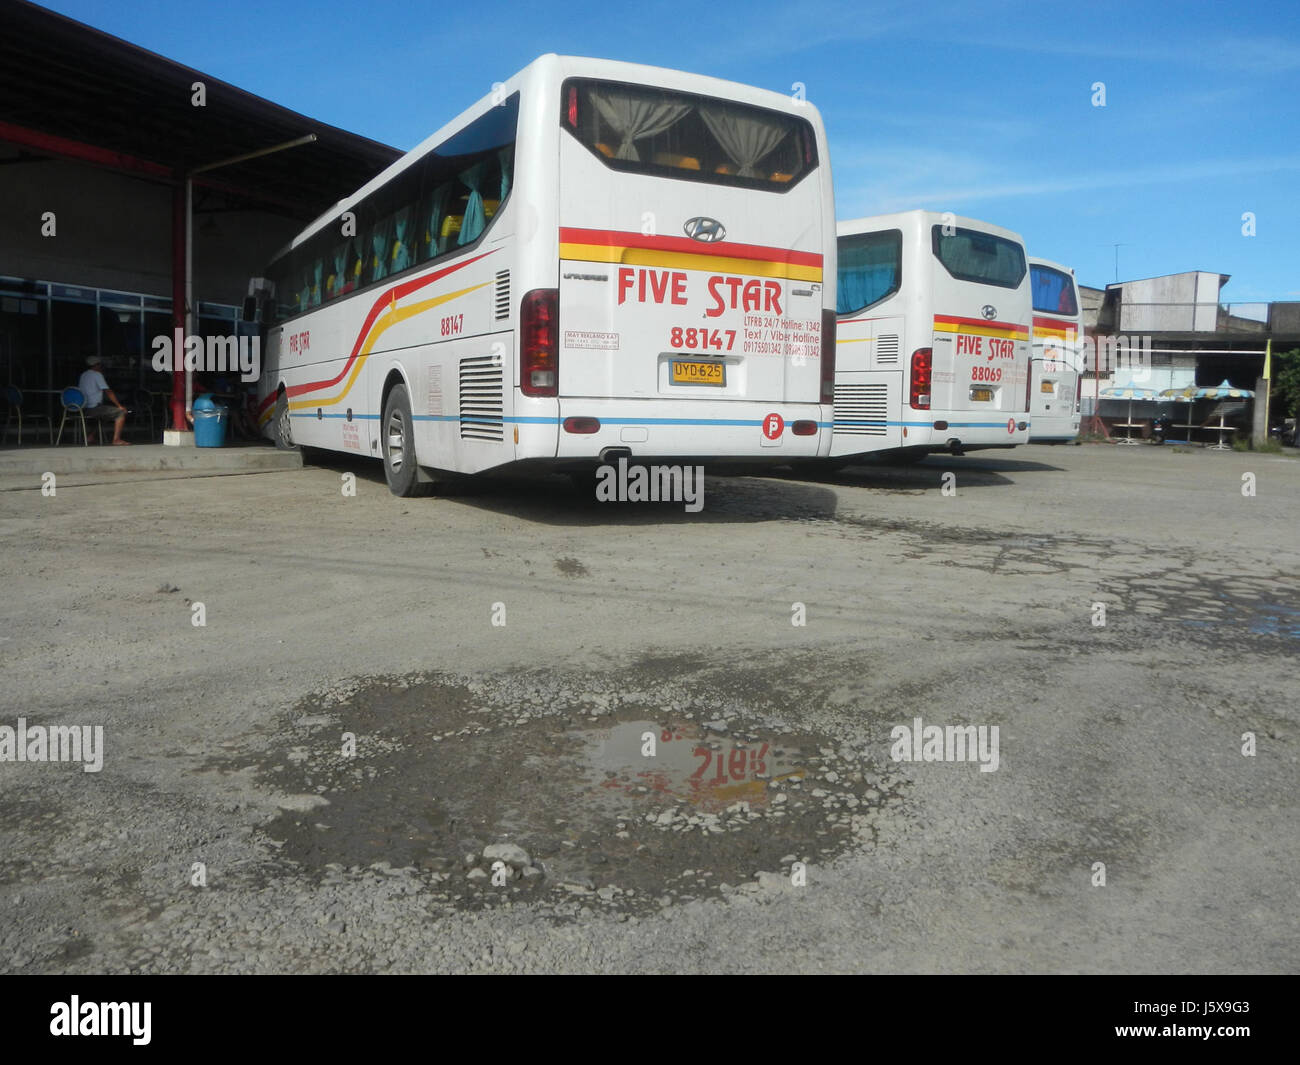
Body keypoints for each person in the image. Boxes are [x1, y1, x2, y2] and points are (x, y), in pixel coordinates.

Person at [77, 356, 130, 445]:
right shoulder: (97, 375)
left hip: (82, 409)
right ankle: (116, 439)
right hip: (93, 408)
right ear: (96, 365)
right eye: (100, 365)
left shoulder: (83, 375)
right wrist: (119, 406)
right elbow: (108, 392)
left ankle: (90, 436)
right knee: (120, 413)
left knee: (104, 414)